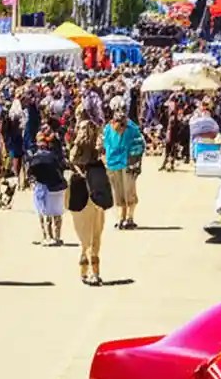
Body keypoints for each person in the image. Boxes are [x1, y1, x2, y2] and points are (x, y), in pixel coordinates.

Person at [68, 106, 107, 285]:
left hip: (81, 187)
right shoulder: (97, 134)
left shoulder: (80, 135)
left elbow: (72, 157)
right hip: (96, 186)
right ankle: (93, 271)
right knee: (95, 233)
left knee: (84, 232)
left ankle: (85, 269)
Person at [102, 110, 145, 230]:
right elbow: (103, 146)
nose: (121, 128)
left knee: (129, 190)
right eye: (119, 125)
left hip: (127, 163)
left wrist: (135, 162)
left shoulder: (132, 129)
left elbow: (140, 145)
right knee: (117, 192)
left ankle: (130, 217)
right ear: (113, 122)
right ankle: (121, 217)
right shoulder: (107, 130)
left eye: (123, 125)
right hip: (112, 163)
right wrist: (104, 159)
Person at [27, 128, 68, 247]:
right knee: (56, 213)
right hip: (56, 186)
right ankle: (57, 237)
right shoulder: (55, 154)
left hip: (42, 186)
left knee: (43, 213)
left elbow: (31, 173)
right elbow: (62, 166)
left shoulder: (34, 157)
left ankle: (47, 237)